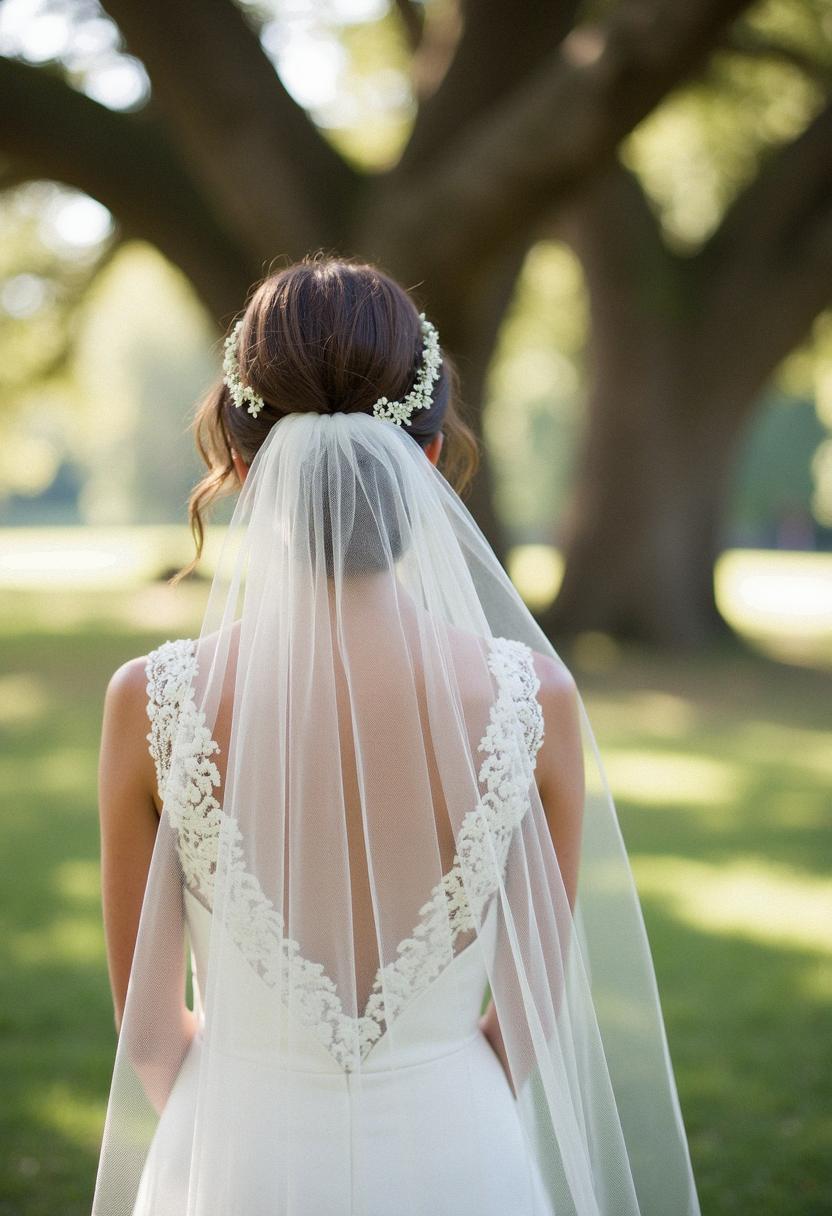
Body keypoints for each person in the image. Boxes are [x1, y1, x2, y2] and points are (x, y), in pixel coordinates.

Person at [93, 254, 700, 1215]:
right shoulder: (534, 701)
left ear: (246, 467)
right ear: (424, 458)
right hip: (464, 1153)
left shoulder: (152, 701)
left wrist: (242, 1121)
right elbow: (531, 1014)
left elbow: (150, 1036)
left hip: (231, 1158)